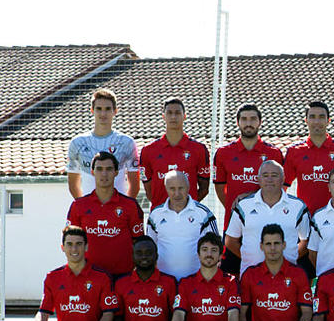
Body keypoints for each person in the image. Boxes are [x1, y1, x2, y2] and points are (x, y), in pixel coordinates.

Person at [213, 104, 284, 272]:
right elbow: (219, 188)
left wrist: (252, 199)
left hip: (265, 226)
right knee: (231, 279)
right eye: (244, 119)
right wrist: (237, 208)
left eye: (253, 119)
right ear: (238, 123)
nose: (248, 123)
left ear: (259, 122)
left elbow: (280, 189)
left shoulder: (273, 153)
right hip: (233, 228)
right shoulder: (224, 153)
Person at [66, 150, 144, 279]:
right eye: (99, 169)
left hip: (123, 277)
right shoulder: (78, 206)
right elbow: (71, 242)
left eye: (109, 169)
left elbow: (139, 242)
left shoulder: (130, 206)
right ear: (92, 172)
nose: (104, 174)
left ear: (116, 173)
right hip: (89, 278)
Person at [224, 160, 310, 273]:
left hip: (286, 276)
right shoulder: (243, 206)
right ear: (258, 179)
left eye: (274, 175)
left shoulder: (298, 206)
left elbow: (307, 241)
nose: (269, 179)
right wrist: (249, 258)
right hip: (251, 276)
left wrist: (290, 258)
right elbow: (230, 241)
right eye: (265, 175)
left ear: (283, 179)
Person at [66, 88, 139, 199]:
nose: (103, 113)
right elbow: (73, 185)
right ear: (92, 110)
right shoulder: (77, 143)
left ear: (115, 111)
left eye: (107, 109)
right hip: (89, 212)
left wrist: (125, 208)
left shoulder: (126, 142)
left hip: (118, 211)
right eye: (99, 109)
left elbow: (134, 186)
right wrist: (84, 208)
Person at [146, 170, 220, 280]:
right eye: (172, 189)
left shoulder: (203, 213)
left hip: (195, 282)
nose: (177, 194)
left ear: (188, 187)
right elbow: (150, 247)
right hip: (164, 282)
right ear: (166, 189)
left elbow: (216, 246)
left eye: (181, 188)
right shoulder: (155, 215)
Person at [139, 98, 210, 207]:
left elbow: (204, 189)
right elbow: (149, 192)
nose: (173, 117)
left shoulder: (199, 149)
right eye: (169, 113)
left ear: (184, 116)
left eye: (177, 113)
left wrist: (186, 206)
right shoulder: (148, 151)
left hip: (189, 217)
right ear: (163, 116)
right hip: (160, 216)